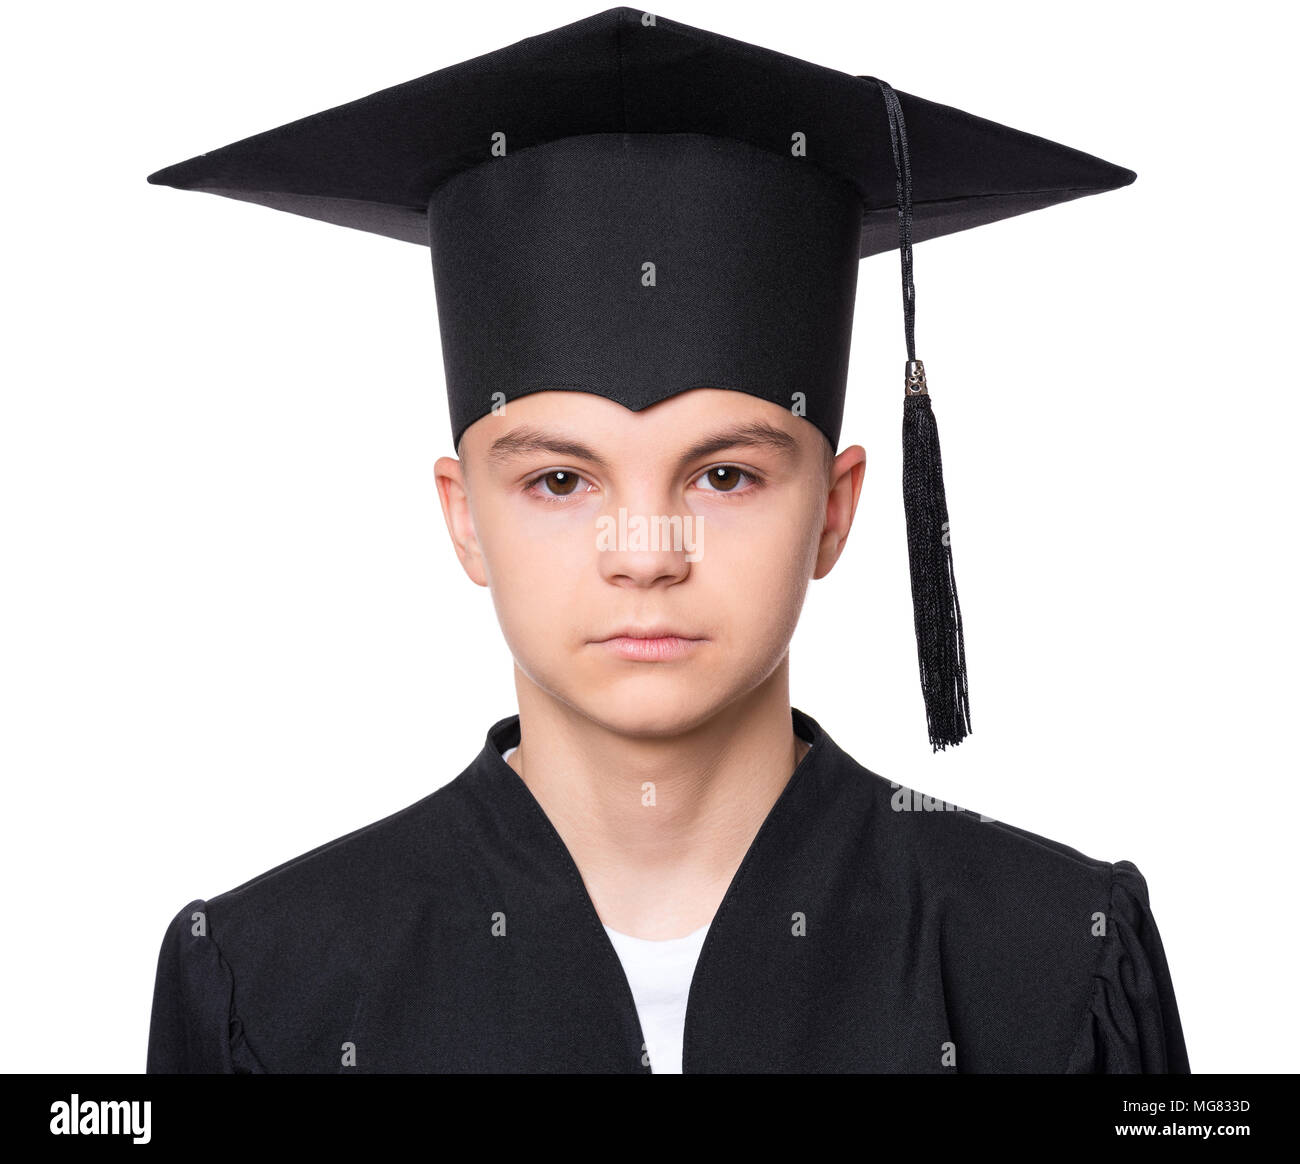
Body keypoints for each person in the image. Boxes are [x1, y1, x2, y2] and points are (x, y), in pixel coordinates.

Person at [144, 6, 1189, 1073]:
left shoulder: (1055, 964)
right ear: (464, 519)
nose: (645, 553)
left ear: (834, 510)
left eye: (725, 476)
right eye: (560, 481)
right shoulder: (273, 989)